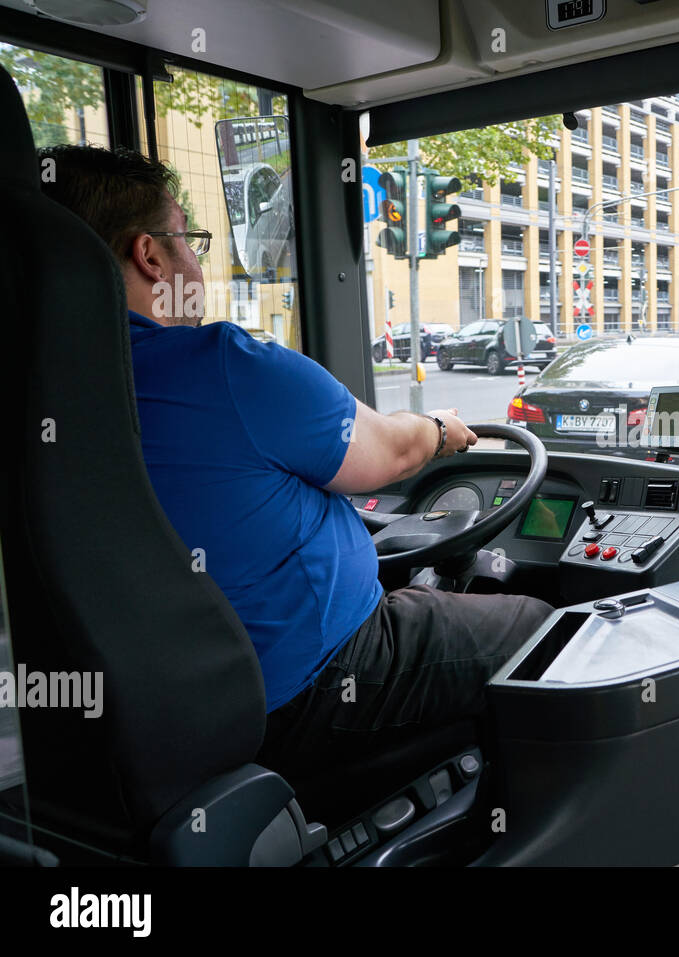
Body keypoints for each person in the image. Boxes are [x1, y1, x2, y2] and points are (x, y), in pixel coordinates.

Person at [39, 145, 552, 798]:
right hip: (318, 682)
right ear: (150, 255)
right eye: (189, 239)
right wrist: (439, 431)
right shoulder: (224, 365)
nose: (197, 259)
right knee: (541, 626)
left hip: (152, 716)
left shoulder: (47, 395)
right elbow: (389, 454)